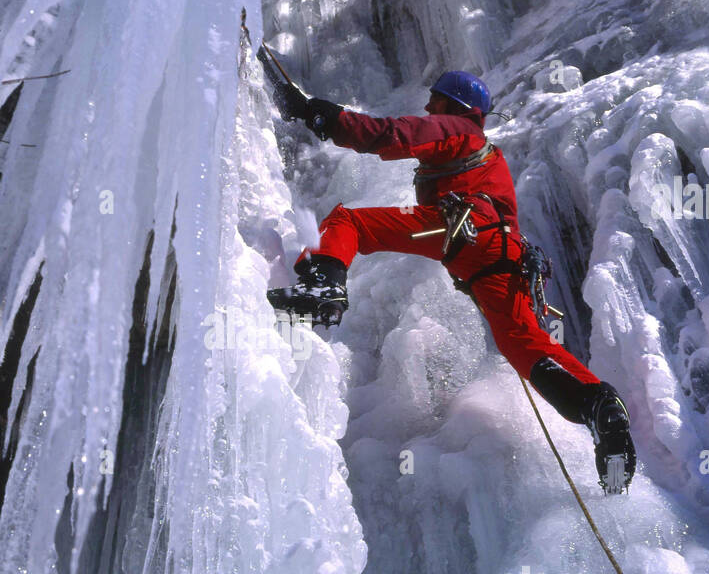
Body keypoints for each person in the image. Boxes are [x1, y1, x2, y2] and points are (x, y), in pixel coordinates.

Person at [267, 67, 637, 494]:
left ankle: (322, 287)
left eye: (435, 100)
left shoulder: (458, 129)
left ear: (456, 106)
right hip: (501, 257)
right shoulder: (490, 156)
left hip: (461, 229)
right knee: (524, 344)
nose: (428, 107)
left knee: (349, 221)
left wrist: (321, 116)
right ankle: (598, 404)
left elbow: (395, 134)